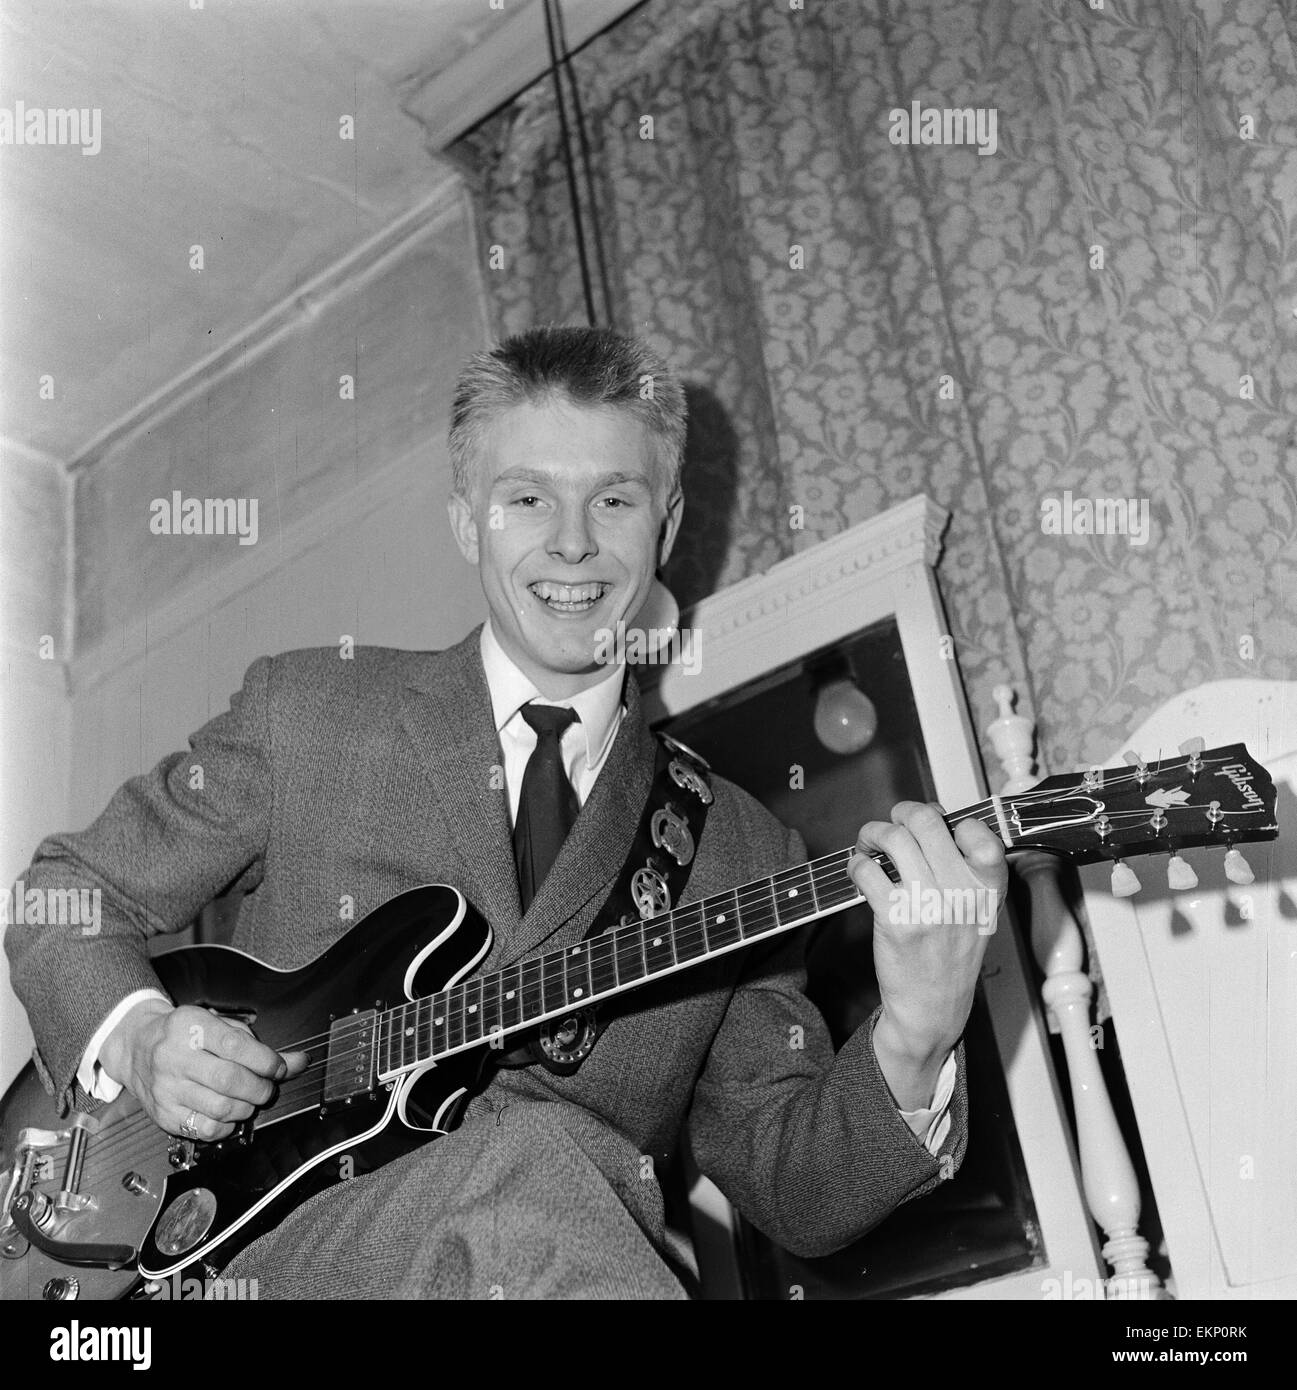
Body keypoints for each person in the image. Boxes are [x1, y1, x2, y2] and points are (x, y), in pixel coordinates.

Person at [5, 326, 1007, 1299]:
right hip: (259, 1257)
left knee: (535, 1166)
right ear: (463, 520)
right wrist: (138, 1039)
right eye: (526, 496)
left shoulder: (738, 846)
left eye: (613, 499)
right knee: (528, 1161)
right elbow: (64, 893)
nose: (572, 542)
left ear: (662, 527)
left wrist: (918, 1031)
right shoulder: (310, 712)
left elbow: (797, 1192)